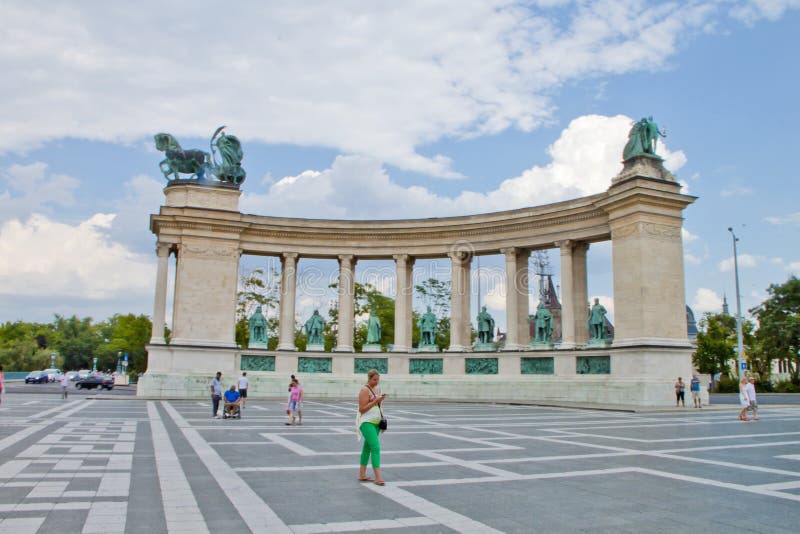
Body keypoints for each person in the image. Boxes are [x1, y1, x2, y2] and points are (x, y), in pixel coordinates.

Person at [357, 369, 386, 486]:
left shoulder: (378, 389)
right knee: (376, 448)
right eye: (374, 379)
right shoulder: (364, 390)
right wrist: (375, 401)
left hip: (376, 422)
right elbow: (362, 409)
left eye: (378, 379)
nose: (376, 382)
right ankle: (378, 477)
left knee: (367, 448)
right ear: (369, 378)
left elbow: (378, 407)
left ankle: (362, 474)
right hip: (366, 422)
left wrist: (380, 401)